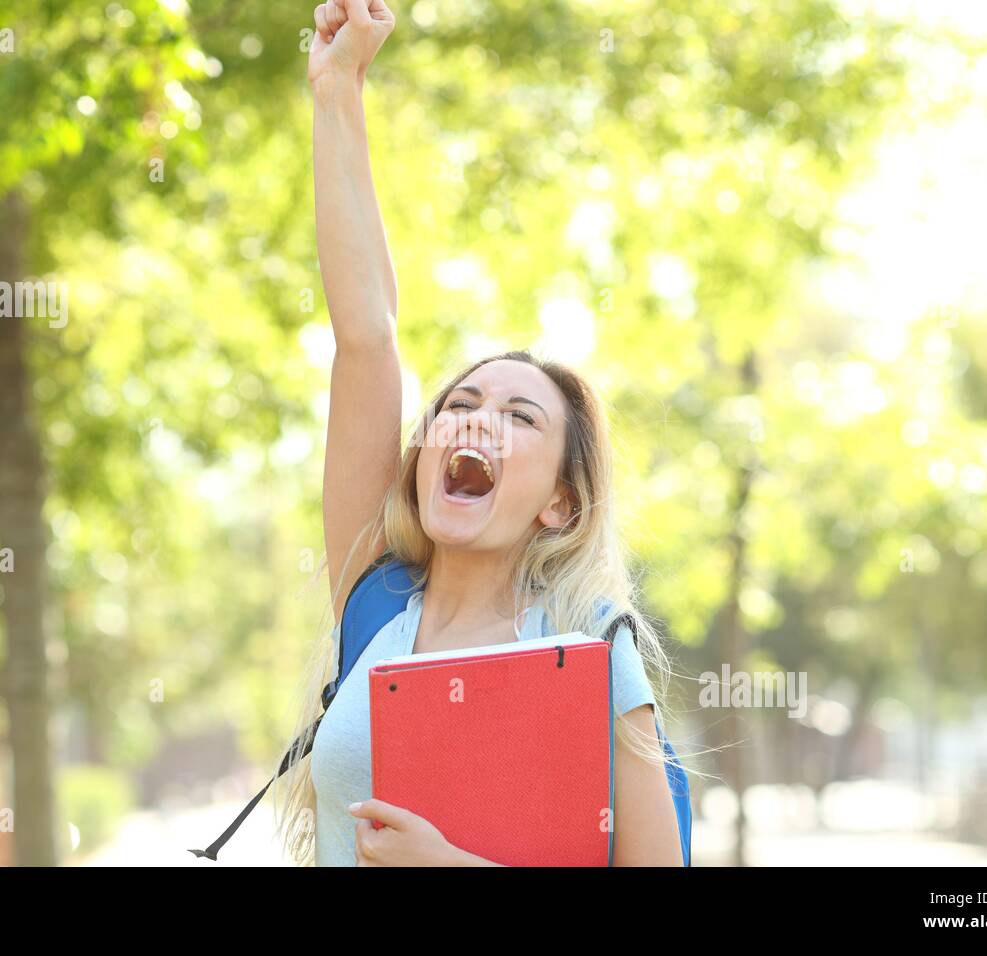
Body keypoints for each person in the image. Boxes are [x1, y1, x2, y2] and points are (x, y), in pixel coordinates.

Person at [276, 0, 685, 866]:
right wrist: (338, 89)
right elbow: (367, 333)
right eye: (459, 405)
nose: (475, 421)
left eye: (518, 416)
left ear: (560, 505)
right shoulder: (374, 604)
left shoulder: (591, 654)